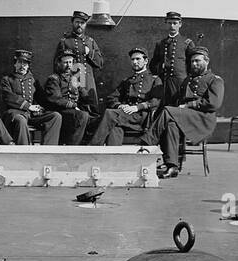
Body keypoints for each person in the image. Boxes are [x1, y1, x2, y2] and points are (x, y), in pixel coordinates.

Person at [143, 46, 224, 178]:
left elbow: (214, 104)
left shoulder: (215, 80)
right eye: (192, 62)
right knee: (171, 125)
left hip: (203, 118)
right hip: (186, 117)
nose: (194, 64)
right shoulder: (188, 80)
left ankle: (147, 143)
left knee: (167, 111)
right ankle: (172, 166)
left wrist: (188, 105)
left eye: (197, 61)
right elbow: (178, 99)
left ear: (207, 61)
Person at [89, 47, 164, 145]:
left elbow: (156, 101)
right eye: (132, 59)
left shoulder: (154, 79)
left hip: (140, 117)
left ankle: (92, 147)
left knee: (110, 114)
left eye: (138, 59)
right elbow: (111, 98)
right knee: (115, 129)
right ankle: (113, 158)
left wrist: (137, 107)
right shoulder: (127, 81)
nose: (135, 62)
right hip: (126, 115)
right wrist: (119, 105)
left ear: (145, 61)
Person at [0, 49, 62, 145]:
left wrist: (41, 107)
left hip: (32, 115)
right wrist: (28, 106)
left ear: (28, 66)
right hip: (15, 114)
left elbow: (42, 99)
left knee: (56, 116)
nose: (22, 66)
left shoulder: (33, 81)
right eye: (20, 62)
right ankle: (25, 154)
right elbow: (8, 97)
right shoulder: (7, 80)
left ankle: (48, 151)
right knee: (21, 120)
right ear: (15, 64)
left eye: (25, 63)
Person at [53, 9, 104, 114]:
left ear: (85, 25)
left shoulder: (91, 41)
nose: (79, 25)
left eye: (82, 23)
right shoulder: (65, 41)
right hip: (72, 81)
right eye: (77, 22)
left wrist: (90, 52)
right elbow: (57, 64)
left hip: (88, 82)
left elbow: (100, 63)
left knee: (92, 109)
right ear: (73, 23)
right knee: (74, 110)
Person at [41, 50, 94, 145]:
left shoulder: (73, 79)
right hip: (60, 111)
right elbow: (55, 99)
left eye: (70, 62)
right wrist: (73, 105)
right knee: (82, 116)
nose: (68, 65)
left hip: (73, 111)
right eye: (65, 62)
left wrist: (88, 98)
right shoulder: (54, 79)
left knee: (95, 119)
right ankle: (72, 147)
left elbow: (83, 94)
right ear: (59, 64)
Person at [150, 11, 197, 107]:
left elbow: (192, 64)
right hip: (164, 83)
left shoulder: (187, 43)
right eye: (169, 23)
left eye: (175, 23)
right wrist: (160, 69)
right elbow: (153, 64)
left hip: (180, 82)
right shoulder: (160, 43)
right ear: (166, 24)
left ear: (180, 24)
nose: (172, 26)